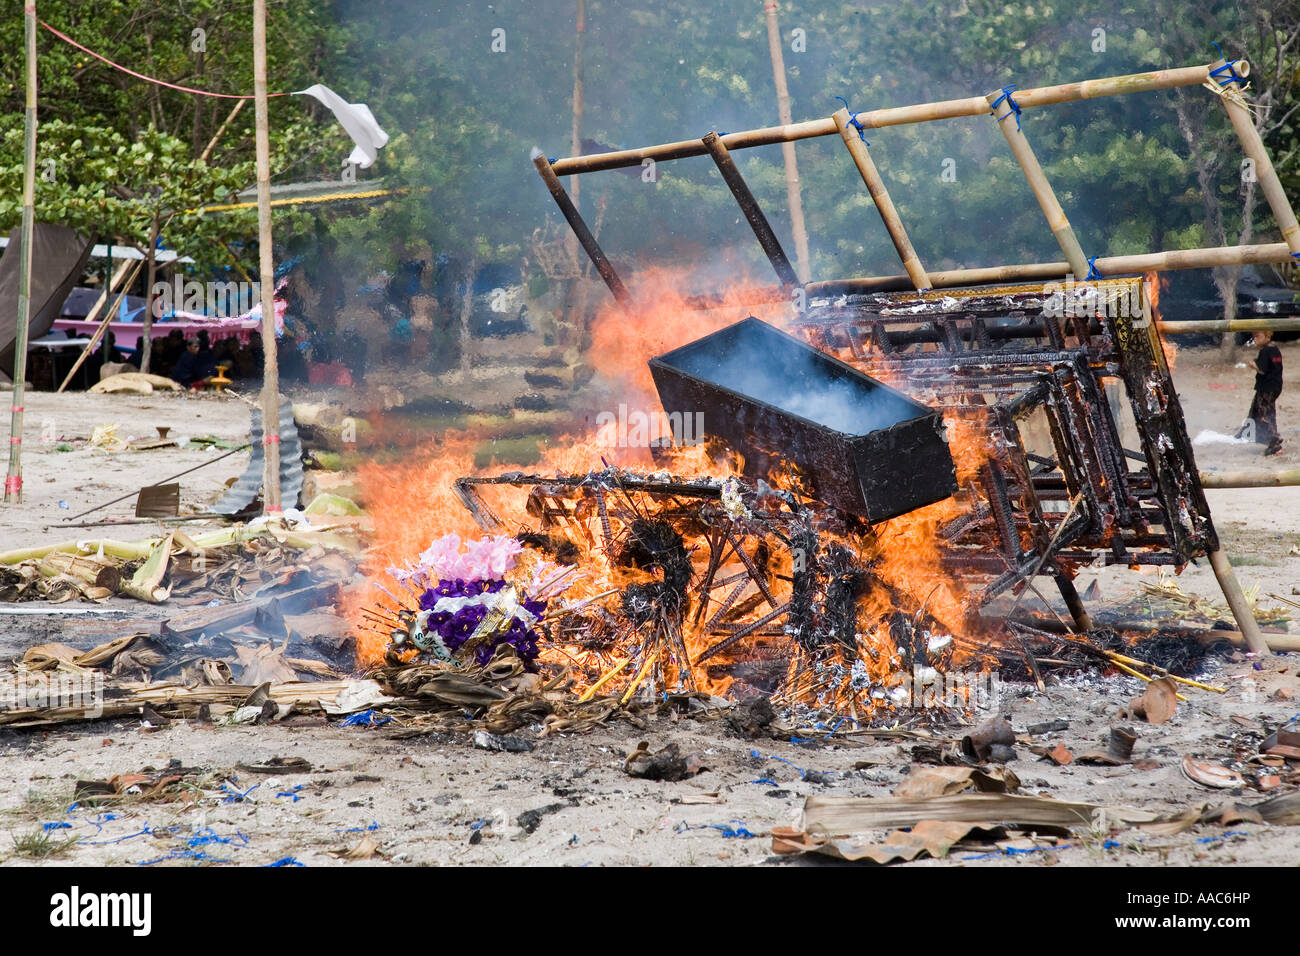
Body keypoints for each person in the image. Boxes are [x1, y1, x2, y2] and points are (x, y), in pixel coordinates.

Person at [1242, 330, 1283, 456]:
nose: (1255, 339)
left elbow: (1262, 370)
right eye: (1254, 337)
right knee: (1267, 411)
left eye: (1258, 336)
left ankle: (1274, 442)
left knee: (1263, 413)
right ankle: (1271, 440)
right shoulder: (1274, 349)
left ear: (1267, 336)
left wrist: (1253, 364)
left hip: (1266, 387)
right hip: (1275, 386)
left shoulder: (1265, 351)